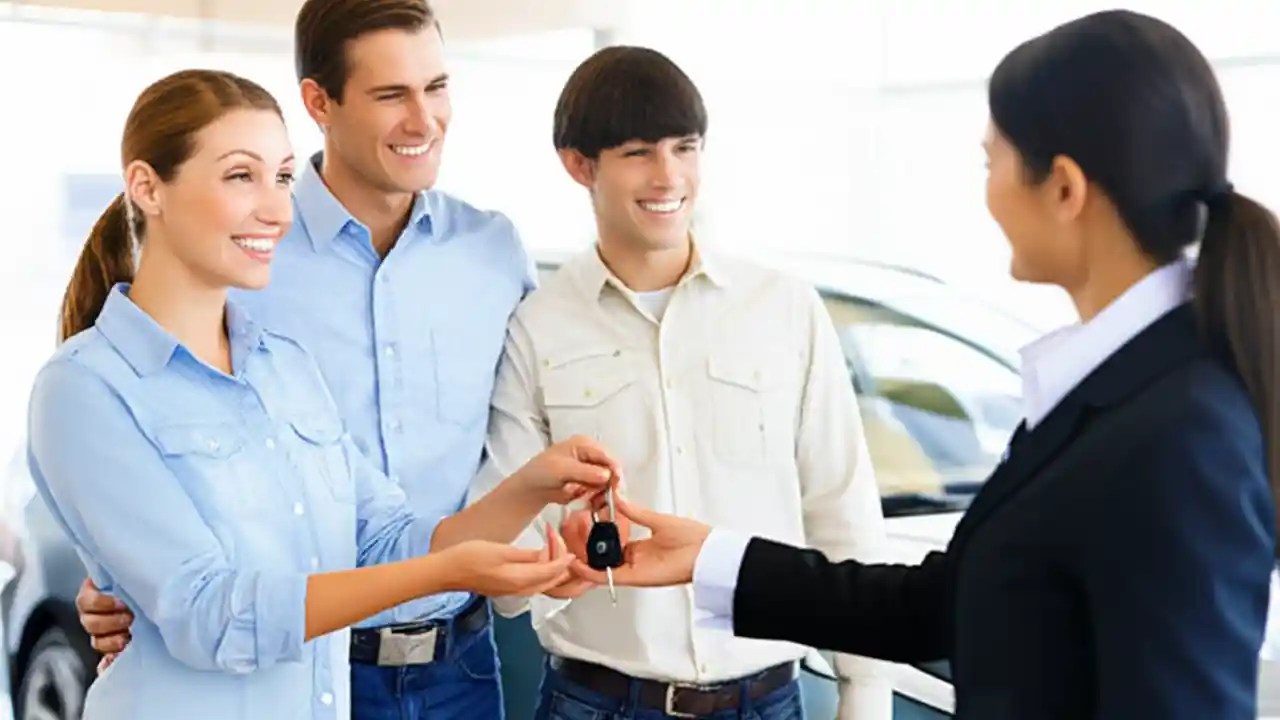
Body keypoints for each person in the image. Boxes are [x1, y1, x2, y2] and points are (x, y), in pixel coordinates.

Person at [570, 10, 1280, 720]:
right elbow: (945, 602)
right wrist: (713, 558)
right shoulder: (1111, 393)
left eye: (989, 161)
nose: (986, 192)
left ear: (1063, 188)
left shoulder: (1183, 432)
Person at [30, 68, 620, 719]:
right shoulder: (84, 389)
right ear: (147, 188)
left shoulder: (283, 367)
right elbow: (211, 617)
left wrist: (531, 487)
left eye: (283, 177)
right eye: (239, 176)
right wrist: (449, 574)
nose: (277, 209)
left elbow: (386, 540)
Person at [465, 46, 891, 719]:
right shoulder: (537, 327)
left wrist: (865, 691)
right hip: (595, 700)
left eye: (685, 147)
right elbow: (507, 568)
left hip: (766, 697)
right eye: (638, 152)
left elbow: (841, 504)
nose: (669, 176)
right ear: (580, 165)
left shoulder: (783, 308)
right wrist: (552, 563)